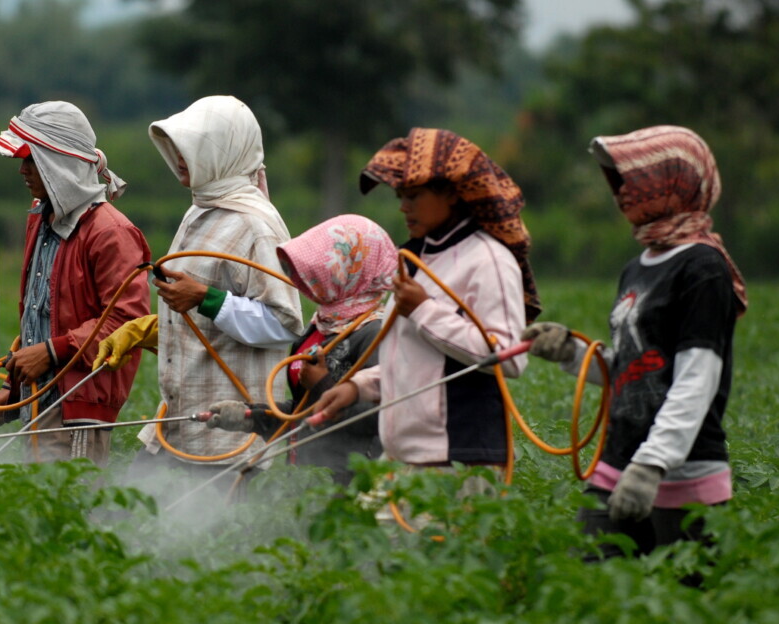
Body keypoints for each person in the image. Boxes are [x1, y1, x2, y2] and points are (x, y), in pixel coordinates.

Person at [522, 125, 745, 558]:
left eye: (631, 180)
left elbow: (695, 380)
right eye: (617, 182)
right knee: (590, 588)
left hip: (682, 473)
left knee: (687, 600)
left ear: (670, 182)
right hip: (617, 462)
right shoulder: (637, 266)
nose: (621, 193)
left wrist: (651, 464)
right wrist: (571, 352)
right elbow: (634, 367)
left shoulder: (703, 268)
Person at [92, 95, 303, 475]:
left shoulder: (256, 225)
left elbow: (283, 324)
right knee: (123, 519)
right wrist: (144, 329)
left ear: (224, 152)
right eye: (177, 148)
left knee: (203, 534)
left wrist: (207, 299)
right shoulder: (199, 211)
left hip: (225, 429)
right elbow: (193, 310)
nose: (179, 158)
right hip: (176, 420)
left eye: (192, 148)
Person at [311, 128, 539, 472]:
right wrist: (357, 388)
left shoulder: (488, 260)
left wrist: (423, 310)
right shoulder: (416, 259)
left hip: (458, 459)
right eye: (400, 195)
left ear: (450, 194)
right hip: (403, 459)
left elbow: (509, 358)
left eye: (414, 196)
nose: (404, 207)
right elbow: (415, 363)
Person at [0, 101, 151, 466]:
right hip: (38, 401)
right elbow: (39, 314)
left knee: (71, 510)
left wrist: (53, 351)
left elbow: (128, 323)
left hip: (77, 407)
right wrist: (14, 388)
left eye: (31, 160)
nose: (23, 171)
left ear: (57, 164)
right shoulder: (41, 219)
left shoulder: (111, 232)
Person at [203, 215, 396, 484]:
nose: (306, 280)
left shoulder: (375, 334)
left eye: (321, 272)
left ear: (353, 269)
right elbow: (302, 412)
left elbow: (386, 420)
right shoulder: (320, 327)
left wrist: (323, 386)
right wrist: (251, 417)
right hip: (305, 479)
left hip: (351, 486)